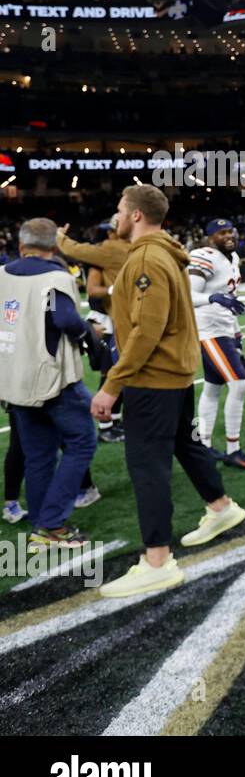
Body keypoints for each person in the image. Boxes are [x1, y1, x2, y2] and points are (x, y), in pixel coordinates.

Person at [90, 186, 245, 598]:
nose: (116, 217)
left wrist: (111, 386)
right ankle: (221, 507)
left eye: (121, 210)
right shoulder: (165, 252)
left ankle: (157, 560)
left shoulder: (146, 257)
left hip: (152, 379)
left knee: (147, 466)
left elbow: (147, 328)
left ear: (137, 215)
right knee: (186, 445)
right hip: (172, 377)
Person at [0, 219, 99, 548]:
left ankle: (43, 528)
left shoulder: (2, 274)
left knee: (38, 455)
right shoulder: (55, 276)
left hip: (13, 377)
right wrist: (89, 337)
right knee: (82, 441)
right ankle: (52, 523)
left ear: (21, 244)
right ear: (54, 247)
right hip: (51, 378)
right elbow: (65, 319)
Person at [189, 218, 245, 469]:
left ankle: (204, 447)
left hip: (224, 328)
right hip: (208, 329)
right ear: (210, 238)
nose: (228, 236)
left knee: (212, 387)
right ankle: (233, 449)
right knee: (239, 384)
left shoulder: (234, 258)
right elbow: (190, 294)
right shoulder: (203, 255)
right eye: (222, 233)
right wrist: (213, 297)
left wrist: (237, 332)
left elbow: (232, 301)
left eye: (231, 231)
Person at [58, 216, 130, 442]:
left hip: (116, 319)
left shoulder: (129, 252)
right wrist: (114, 290)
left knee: (120, 373)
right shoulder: (103, 256)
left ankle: (114, 421)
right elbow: (91, 290)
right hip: (105, 320)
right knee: (110, 372)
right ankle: (106, 425)